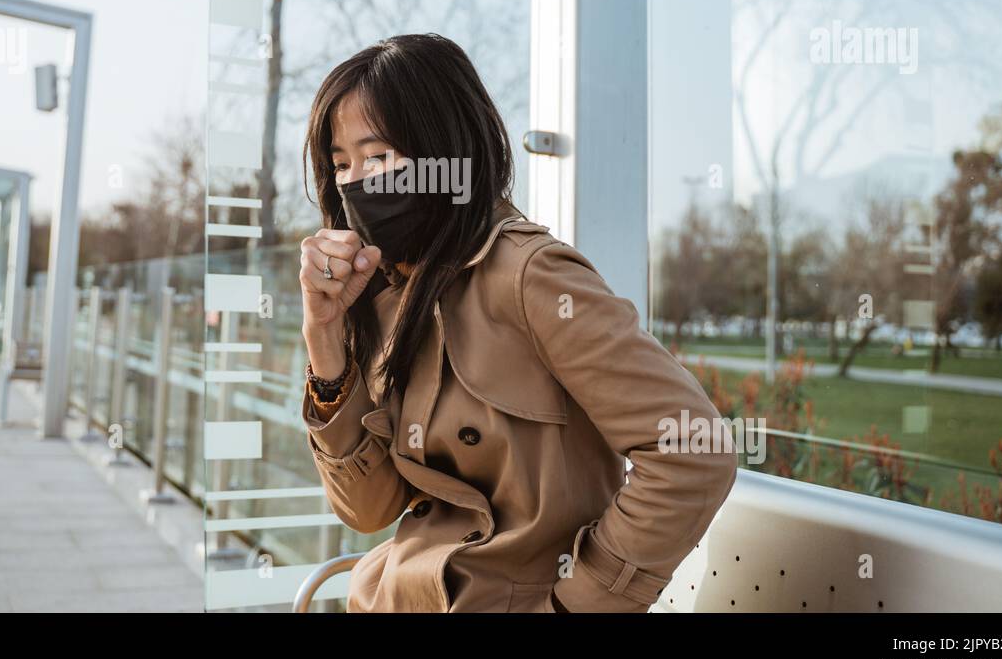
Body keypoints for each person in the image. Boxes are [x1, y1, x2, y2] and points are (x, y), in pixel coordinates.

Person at [298, 33, 738, 613]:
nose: (356, 182)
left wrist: (576, 605)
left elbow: (692, 449)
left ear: (444, 151)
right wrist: (325, 338)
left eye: (378, 158)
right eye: (340, 164)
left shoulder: (530, 274)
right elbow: (368, 509)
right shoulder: (390, 295)